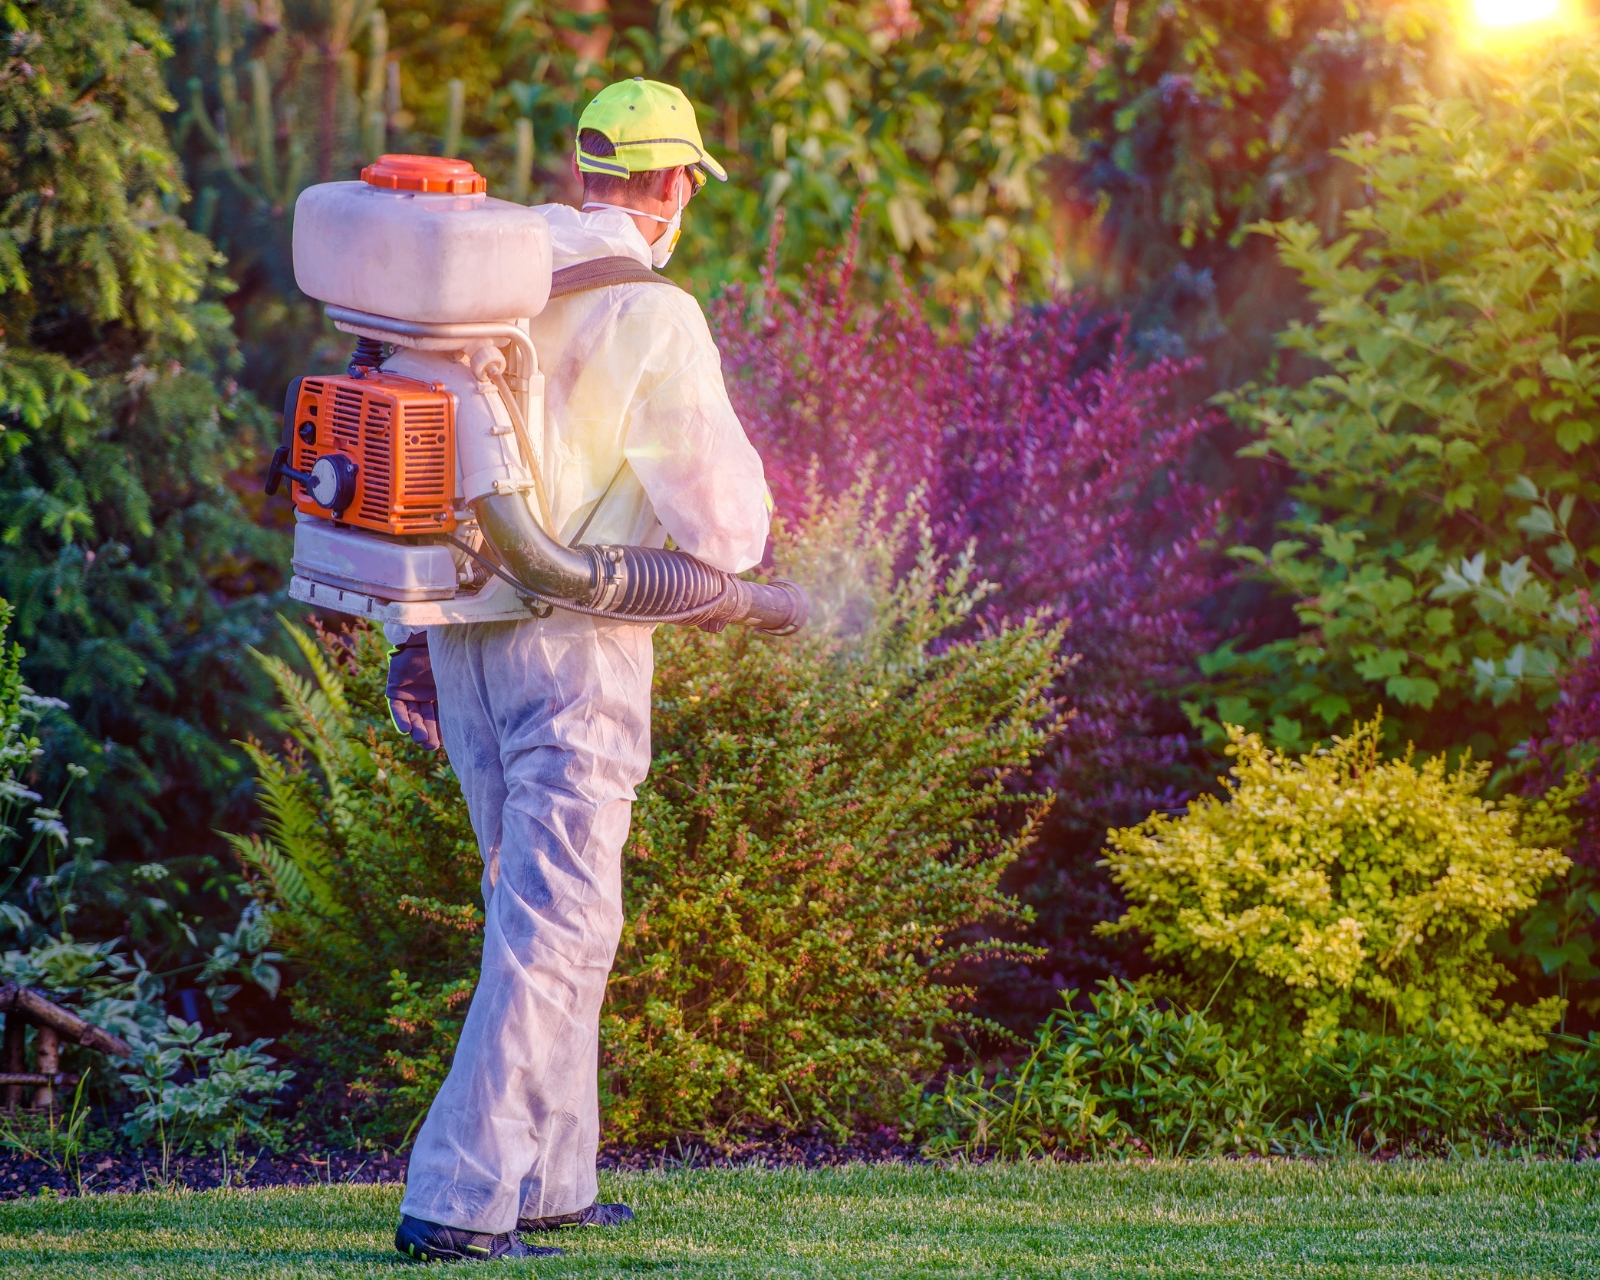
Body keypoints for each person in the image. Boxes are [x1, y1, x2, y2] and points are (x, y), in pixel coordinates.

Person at [388, 78, 771, 1263]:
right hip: (574, 640)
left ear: (583, 172)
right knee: (558, 924)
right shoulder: (652, 313)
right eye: (685, 188)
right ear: (671, 187)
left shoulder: (484, 288)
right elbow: (721, 527)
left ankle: (554, 1176)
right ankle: (456, 1197)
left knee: (541, 911)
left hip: (458, 634)